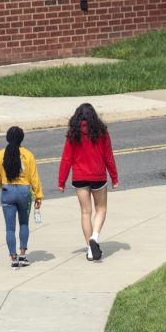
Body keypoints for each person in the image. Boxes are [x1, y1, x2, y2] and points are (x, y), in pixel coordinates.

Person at [57, 102, 118, 261]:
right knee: (101, 209)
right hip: (98, 176)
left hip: (79, 177)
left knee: (86, 212)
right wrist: (114, 177)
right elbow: (108, 157)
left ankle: (90, 250)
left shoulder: (73, 133)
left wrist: (61, 181)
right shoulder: (101, 132)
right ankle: (95, 238)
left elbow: (66, 159)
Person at [0, 126, 42, 268]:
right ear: (22, 138)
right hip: (24, 191)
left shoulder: (0, 155)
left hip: (8, 191)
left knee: (9, 228)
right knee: (24, 223)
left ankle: (13, 258)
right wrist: (38, 196)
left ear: (7, 138)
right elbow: (34, 177)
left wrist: (3, 186)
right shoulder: (28, 155)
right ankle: (23, 255)